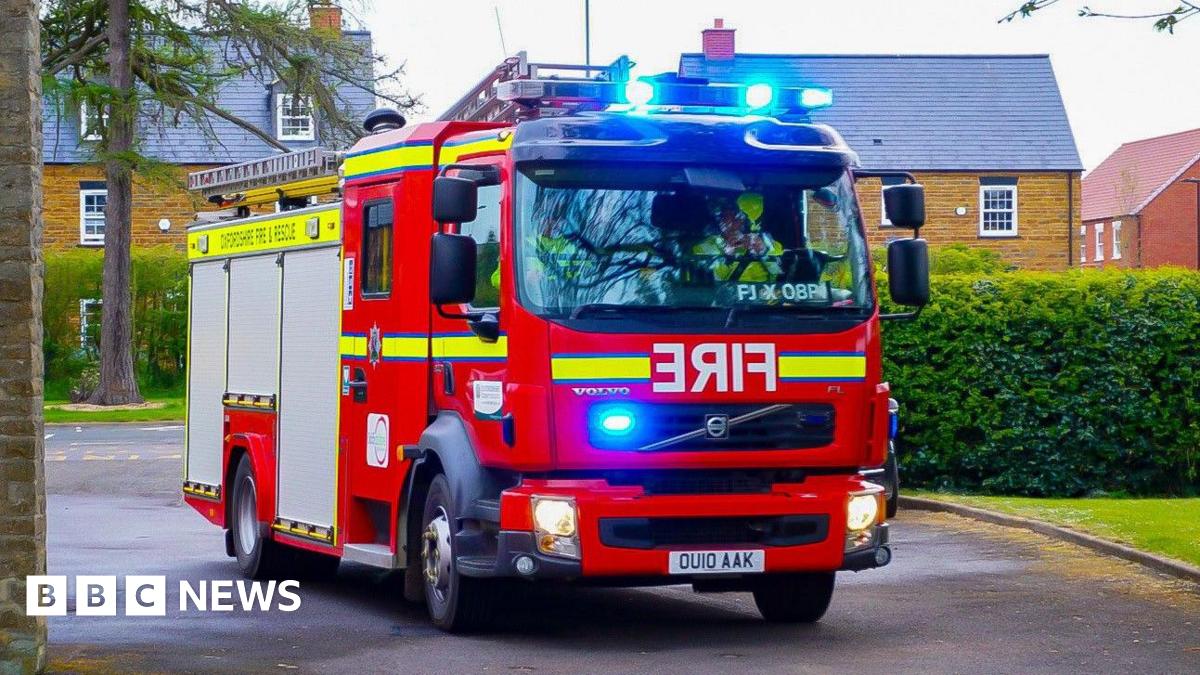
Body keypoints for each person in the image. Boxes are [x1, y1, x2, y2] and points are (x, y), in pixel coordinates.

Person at [691, 192, 784, 282]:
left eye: (739, 216)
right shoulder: (705, 247)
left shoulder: (767, 241)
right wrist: (728, 255)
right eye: (728, 215)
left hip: (765, 296)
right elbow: (709, 285)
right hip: (728, 297)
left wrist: (764, 252)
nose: (735, 220)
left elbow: (780, 276)